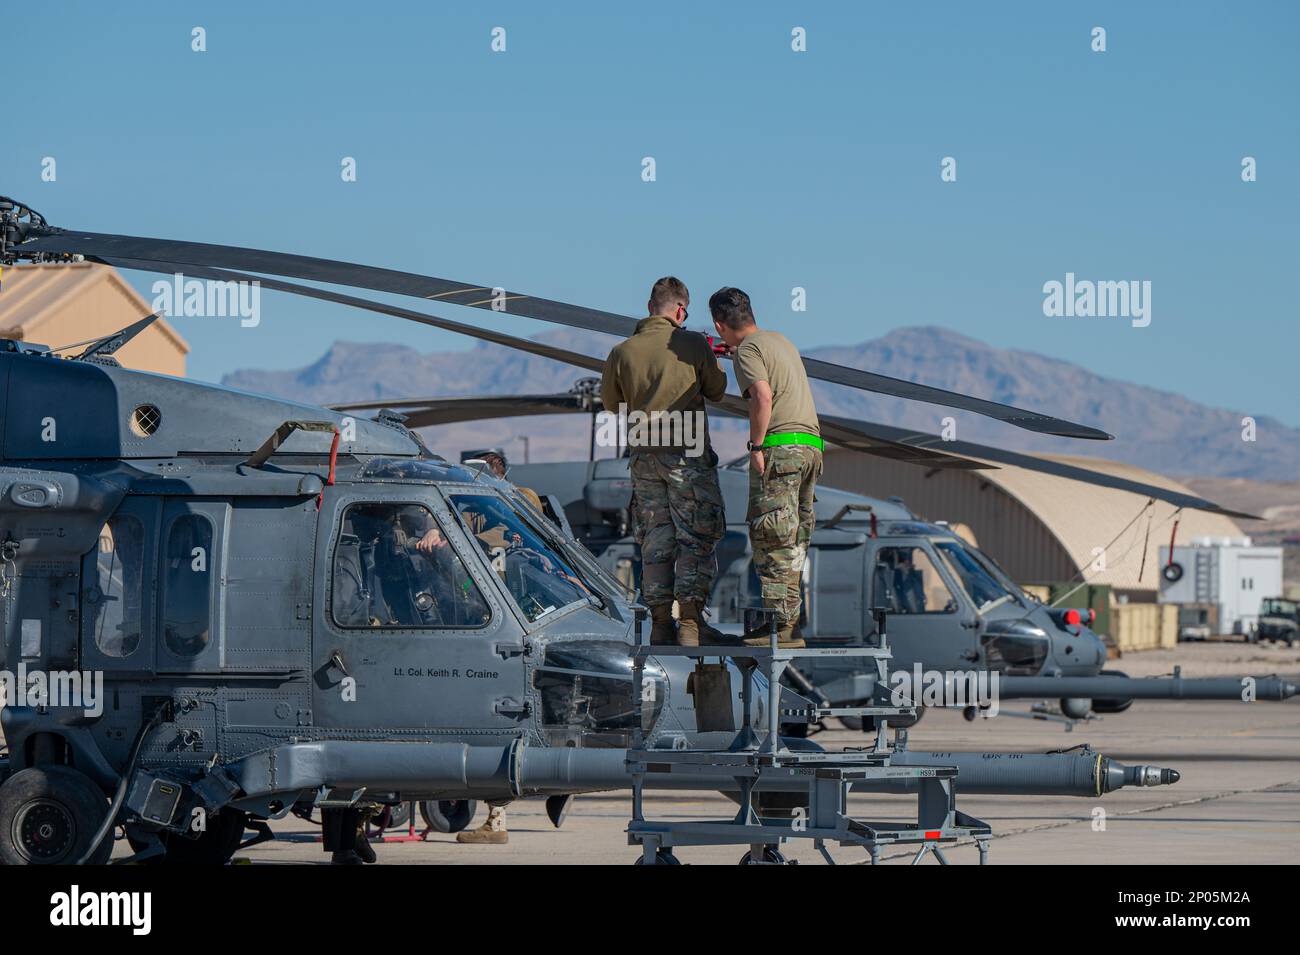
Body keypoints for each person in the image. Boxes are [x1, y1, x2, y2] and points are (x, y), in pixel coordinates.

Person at [601, 277, 728, 646]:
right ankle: (689, 623)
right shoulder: (691, 344)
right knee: (695, 537)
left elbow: (612, 405)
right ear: (681, 310)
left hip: (643, 455)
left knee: (655, 539)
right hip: (686, 454)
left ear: (649, 307)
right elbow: (717, 391)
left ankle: (660, 624)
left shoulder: (622, 351)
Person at [709, 287, 821, 649]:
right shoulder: (779, 342)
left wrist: (755, 445)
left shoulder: (749, 353)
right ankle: (790, 622)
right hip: (811, 448)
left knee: (771, 535)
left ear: (718, 324)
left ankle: (780, 628)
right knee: (794, 539)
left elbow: (762, 395)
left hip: (780, 448)